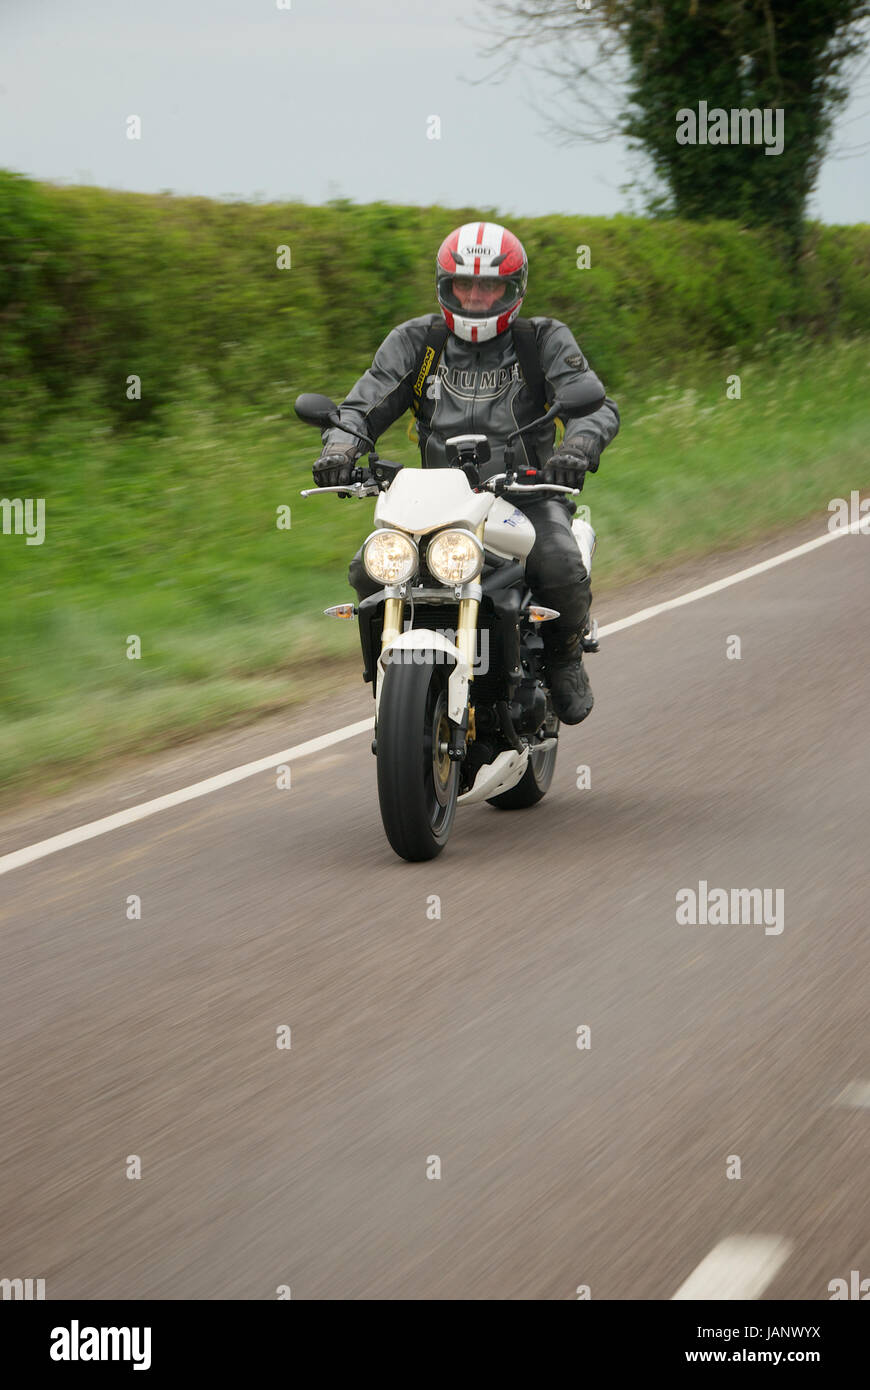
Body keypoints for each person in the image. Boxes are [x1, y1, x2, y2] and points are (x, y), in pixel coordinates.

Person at [312, 221, 619, 723]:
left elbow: (596, 406)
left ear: (513, 289)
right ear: (445, 287)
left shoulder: (540, 339)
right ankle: (394, 691)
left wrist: (579, 447)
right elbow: (362, 406)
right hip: (438, 500)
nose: (476, 297)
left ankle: (564, 659)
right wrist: (341, 447)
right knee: (369, 571)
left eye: (490, 285)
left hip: (526, 492)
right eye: (464, 284)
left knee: (559, 566)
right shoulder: (417, 341)